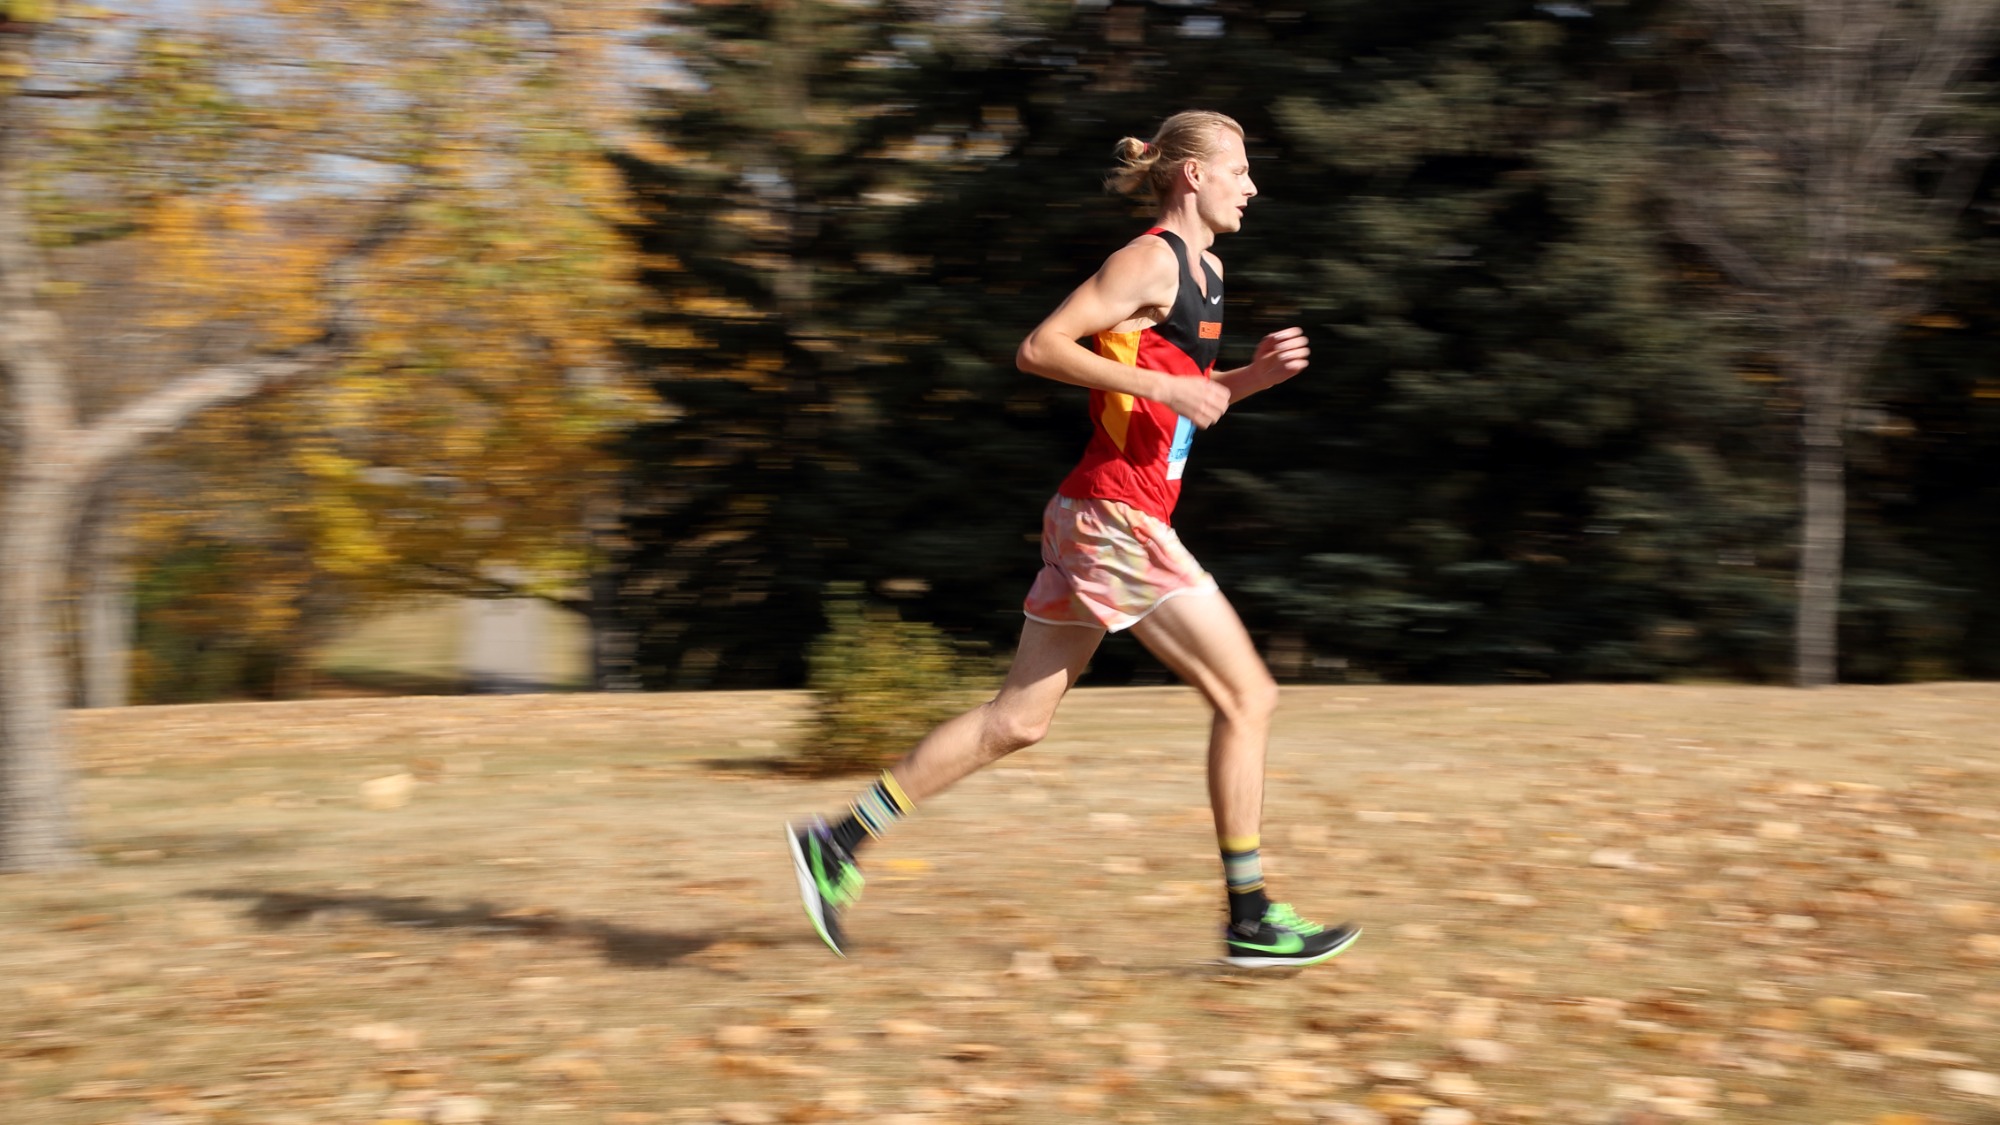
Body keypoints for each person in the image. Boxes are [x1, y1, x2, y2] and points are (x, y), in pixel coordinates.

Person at [787, 110, 1359, 969]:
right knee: (1250, 696)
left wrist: (1245, 382)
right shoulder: (1148, 259)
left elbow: (1175, 402)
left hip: (1099, 512)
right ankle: (1250, 916)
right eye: (1238, 169)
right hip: (1114, 519)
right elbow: (1040, 347)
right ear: (1193, 176)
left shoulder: (1206, 270)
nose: (1252, 185)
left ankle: (838, 839)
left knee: (1017, 720)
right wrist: (1175, 391)